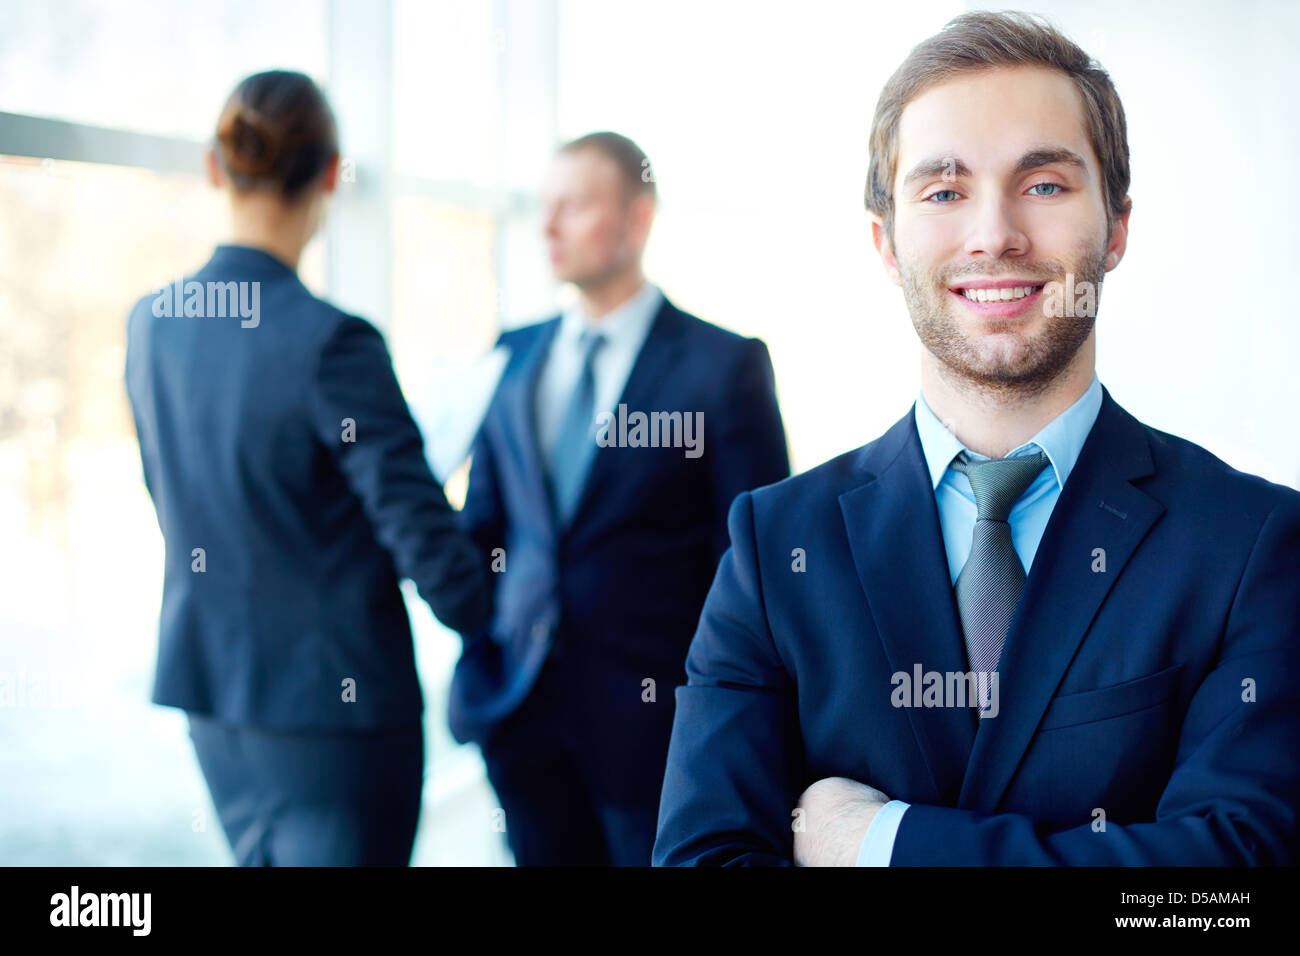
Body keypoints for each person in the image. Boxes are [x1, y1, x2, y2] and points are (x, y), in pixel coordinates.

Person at [654, 11, 1299, 866]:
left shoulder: (1251, 545)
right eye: (945, 192)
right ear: (886, 242)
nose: (994, 235)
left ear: (1116, 228)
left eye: (1043, 185)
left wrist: (884, 842)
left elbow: (1220, 896)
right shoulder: (776, 549)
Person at [124, 70, 491, 866]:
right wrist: (499, 613)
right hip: (334, 709)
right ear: (330, 174)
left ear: (216, 167)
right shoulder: (333, 342)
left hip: (216, 692)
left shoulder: (152, 324)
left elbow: (176, 492)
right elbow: (423, 537)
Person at [449, 131, 791, 865]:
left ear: (637, 220)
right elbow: (484, 524)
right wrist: (483, 640)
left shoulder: (722, 366)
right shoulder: (512, 352)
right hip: (520, 714)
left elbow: (750, 566)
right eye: (545, 207)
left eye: (573, 206)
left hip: (655, 729)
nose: (548, 227)